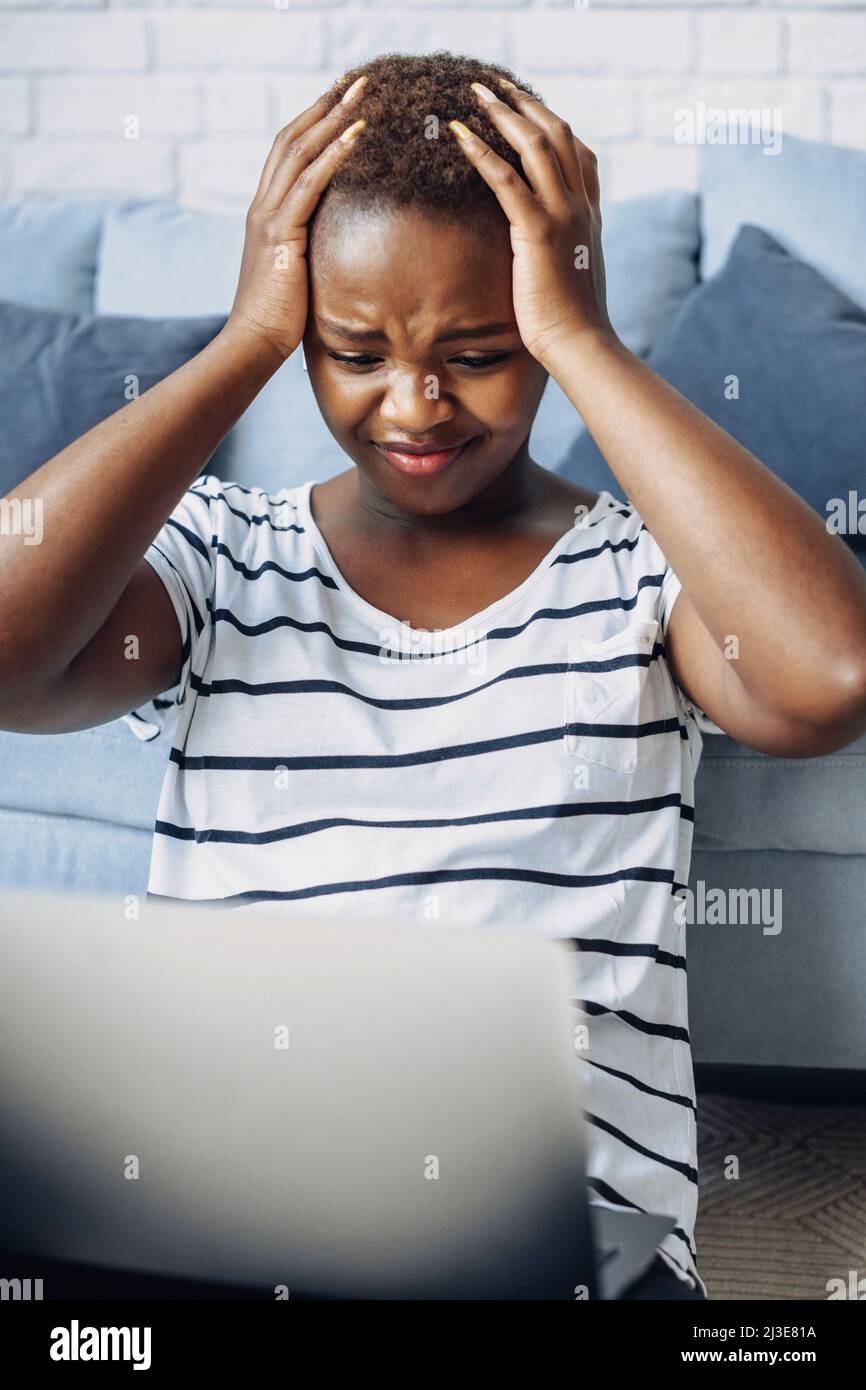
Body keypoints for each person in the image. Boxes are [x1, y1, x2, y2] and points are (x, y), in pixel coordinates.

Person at [2, 51, 865, 1301]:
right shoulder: (225, 554)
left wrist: (581, 332)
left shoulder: (644, 575)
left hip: (557, 1237)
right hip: (239, 1203)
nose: (412, 405)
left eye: (478, 351)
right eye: (353, 351)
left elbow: (831, 672)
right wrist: (246, 336)